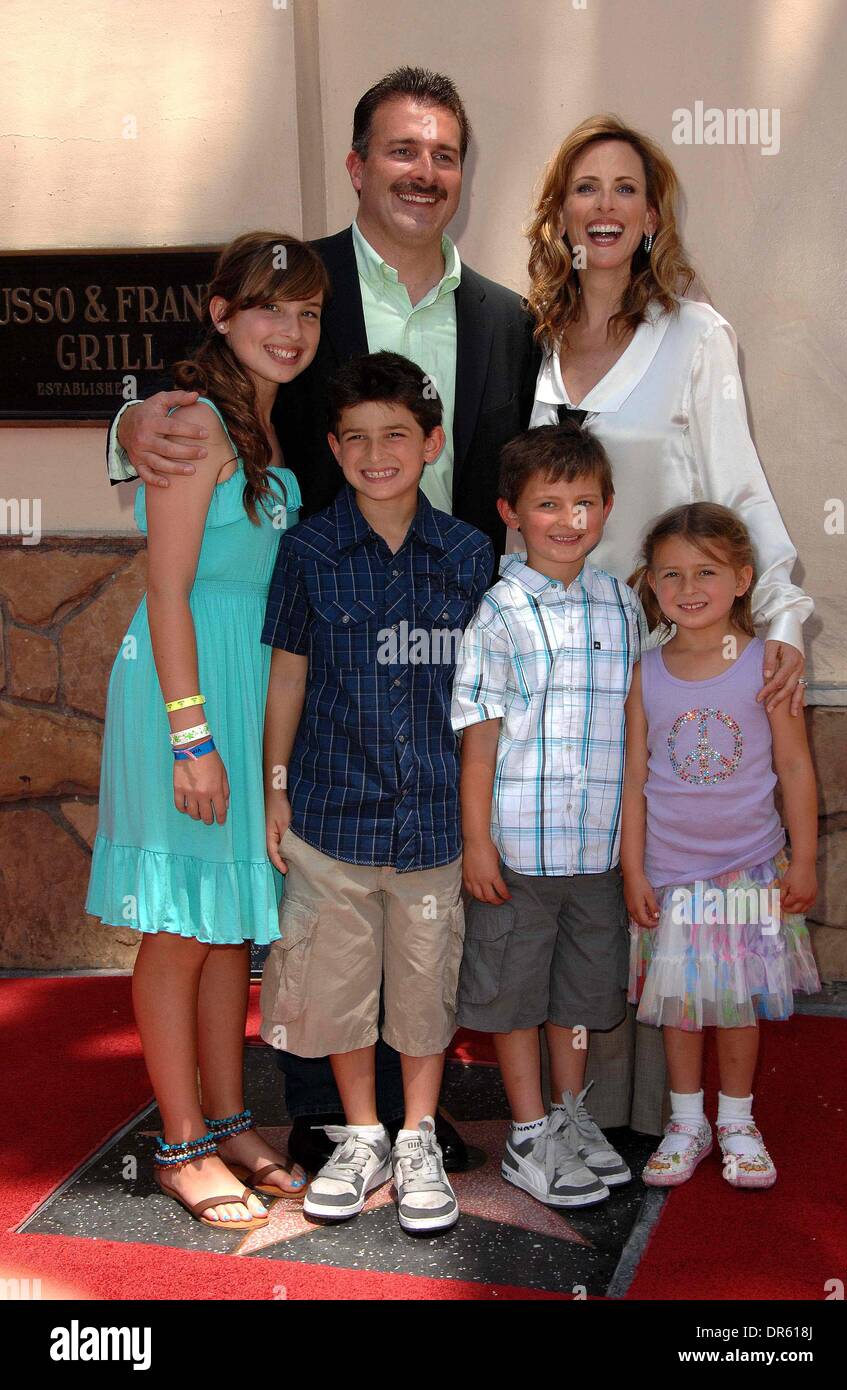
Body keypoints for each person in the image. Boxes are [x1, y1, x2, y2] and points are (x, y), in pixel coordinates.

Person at [104, 67, 539, 1169]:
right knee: (296, 890)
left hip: (426, 634)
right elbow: (184, 419)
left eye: (442, 154)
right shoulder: (303, 279)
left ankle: (395, 1109)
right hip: (304, 641)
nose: (422, 172)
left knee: (377, 880)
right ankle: (312, 1108)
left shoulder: (503, 317)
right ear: (357, 166)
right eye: (401, 150)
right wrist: (130, 421)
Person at [524, 114, 814, 1133]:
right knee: (581, 886)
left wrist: (774, 618)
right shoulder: (525, 338)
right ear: (559, 213)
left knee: (666, 884)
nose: (602, 206)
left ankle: (672, 1109)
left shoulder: (694, 336)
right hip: (556, 662)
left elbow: (737, 488)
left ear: (650, 216)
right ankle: (582, 1110)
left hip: (659, 654)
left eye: (623, 190)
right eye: (583, 188)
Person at [86, 232, 329, 1228]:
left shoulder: (266, 428)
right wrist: (191, 736)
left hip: (243, 688)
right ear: (221, 313)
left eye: (308, 312)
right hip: (182, 691)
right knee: (182, 925)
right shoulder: (189, 423)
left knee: (232, 921)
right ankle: (180, 1139)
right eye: (270, 307)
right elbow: (168, 589)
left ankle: (230, 1118)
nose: (291, 329)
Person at [259, 351, 495, 1233]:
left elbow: (485, 699)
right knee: (339, 985)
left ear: (429, 443)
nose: (375, 452)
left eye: (395, 434)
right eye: (354, 438)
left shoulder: (469, 554)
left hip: (434, 820)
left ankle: (419, 1135)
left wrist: (480, 818)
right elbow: (287, 678)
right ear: (333, 445)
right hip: (330, 814)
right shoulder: (309, 550)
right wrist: (277, 788)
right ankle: (359, 1135)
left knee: (425, 988)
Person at [451, 421, 644, 1208]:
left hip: (594, 853)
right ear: (511, 512)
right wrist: (476, 844)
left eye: (584, 503)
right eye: (548, 504)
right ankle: (528, 1131)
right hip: (518, 851)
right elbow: (479, 743)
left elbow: (633, 736)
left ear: (606, 509)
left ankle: (568, 1116)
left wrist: (632, 851)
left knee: (577, 998)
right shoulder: (497, 613)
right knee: (513, 993)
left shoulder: (623, 604)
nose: (568, 521)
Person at [622, 503, 820, 1187]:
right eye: (670, 574)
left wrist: (804, 857)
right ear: (651, 583)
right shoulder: (643, 673)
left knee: (735, 1004)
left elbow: (794, 766)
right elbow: (634, 778)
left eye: (705, 571)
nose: (687, 586)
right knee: (680, 1006)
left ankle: (737, 1120)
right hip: (670, 874)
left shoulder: (769, 663)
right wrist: (632, 868)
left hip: (747, 871)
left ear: (741, 579)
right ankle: (686, 1123)